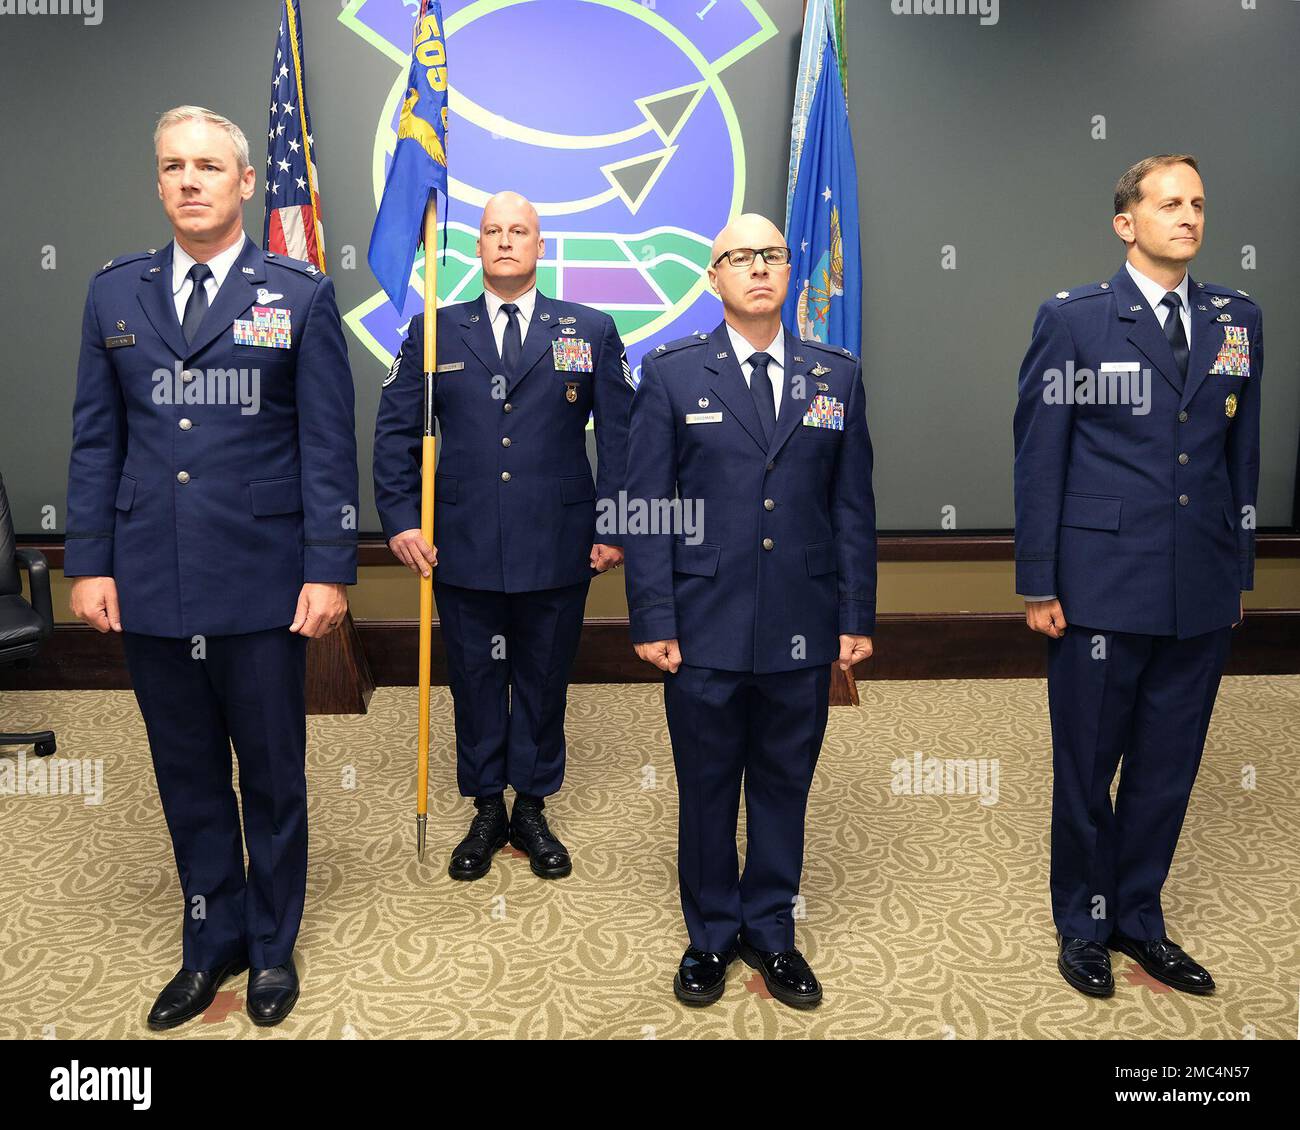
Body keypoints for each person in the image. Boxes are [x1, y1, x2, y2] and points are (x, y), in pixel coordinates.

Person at [65, 105, 358, 1028]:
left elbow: (327, 447)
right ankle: (212, 941)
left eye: (206, 166)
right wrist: (88, 561)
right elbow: (94, 440)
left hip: (264, 578)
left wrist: (328, 568)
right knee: (186, 772)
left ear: (243, 182)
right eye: (172, 166)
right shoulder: (115, 293)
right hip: (149, 576)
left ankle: (272, 950)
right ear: (158, 183)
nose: (188, 180)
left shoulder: (298, 294)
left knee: (271, 774)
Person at [1013, 154, 1260, 998]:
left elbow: (1240, 454)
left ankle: (1140, 920)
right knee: (1088, 765)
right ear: (1127, 222)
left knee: (1168, 766)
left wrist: (1237, 573)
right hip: (1098, 585)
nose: (1189, 217)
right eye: (1169, 203)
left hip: (1199, 586)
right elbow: (1040, 457)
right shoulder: (1076, 320)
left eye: (1198, 203)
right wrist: (1039, 582)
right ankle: (1083, 925)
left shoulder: (1237, 318)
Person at [623, 213, 877, 1008]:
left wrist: (854, 615)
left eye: (771, 255)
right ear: (713, 277)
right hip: (702, 623)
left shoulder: (834, 375)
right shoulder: (669, 373)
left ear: (791, 269)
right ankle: (709, 936)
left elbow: (852, 506)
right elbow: (646, 504)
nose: (758, 268)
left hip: (803, 626)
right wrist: (654, 617)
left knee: (782, 785)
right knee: (705, 787)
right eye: (740, 257)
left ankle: (771, 932)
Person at [374, 192, 632, 882]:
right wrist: (401, 518)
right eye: (494, 231)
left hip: (560, 541)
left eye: (520, 231)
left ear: (540, 246)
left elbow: (623, 437)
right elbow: (396, 430)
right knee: (476, 681)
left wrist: (616, 522)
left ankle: (534, 805)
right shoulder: (435, 331)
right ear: (478, 246)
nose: (507, 241)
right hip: (461, 543)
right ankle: (487, 806)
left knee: (544, 681)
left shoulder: (591, 329)